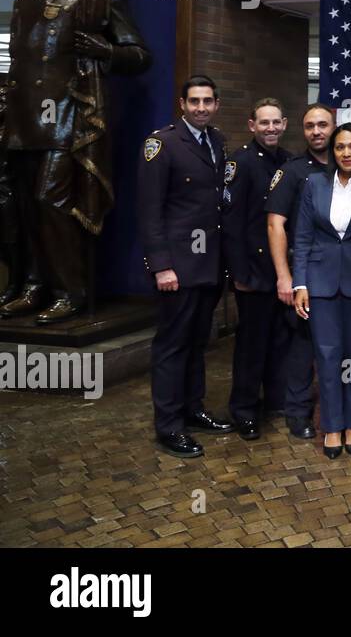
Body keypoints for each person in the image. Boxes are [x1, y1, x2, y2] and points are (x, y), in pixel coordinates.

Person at [3, 0, 152, 322]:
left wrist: (106, 53)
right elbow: (18, 62)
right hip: (23, 119)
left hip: (67, 119)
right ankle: (34, 286)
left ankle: (71, 289)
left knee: (50, 201)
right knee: (24, 208)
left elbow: (139, 55)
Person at [138, 76, 232, 458]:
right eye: (194, 101)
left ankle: (193, 410)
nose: (201, 108)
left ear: (216, 104)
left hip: (208, 265)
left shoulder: (217, 141)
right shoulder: (161, 144)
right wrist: (161, 265)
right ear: (182, 104)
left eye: (208, 101)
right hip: (177, 267)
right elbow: (149, 211)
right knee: (172, 347)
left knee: (197, 344)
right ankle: (169, 426)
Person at [292, 123, 351, 458]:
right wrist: (299, 283)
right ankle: (331, 425)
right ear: (333, 151)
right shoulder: (314, 183)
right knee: (328, 356)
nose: (346, 153)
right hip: (320, 283)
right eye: (340, 147)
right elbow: (302, 237)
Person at [222, 98, 290, 440]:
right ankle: (244, 410)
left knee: (278, 341)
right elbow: (231, 224)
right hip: (253, 271)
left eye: (276, 122)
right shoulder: (241, 162)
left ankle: (272, 399)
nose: (271, 128)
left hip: (282, 270)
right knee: (251, 346)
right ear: (252, 125)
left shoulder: (288, 160)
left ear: (284, 124)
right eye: (264, 122)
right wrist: (238, 275)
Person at [266, 104, 335, 440]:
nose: (317, 131)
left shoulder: (349, 164)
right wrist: (284, 276)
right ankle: (298, 413)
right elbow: (275, 224)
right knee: (302, 347)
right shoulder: (293, 170)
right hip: (305, 270)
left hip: (342, 273)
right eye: (310, 126)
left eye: (323, 125)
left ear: (334, 126)